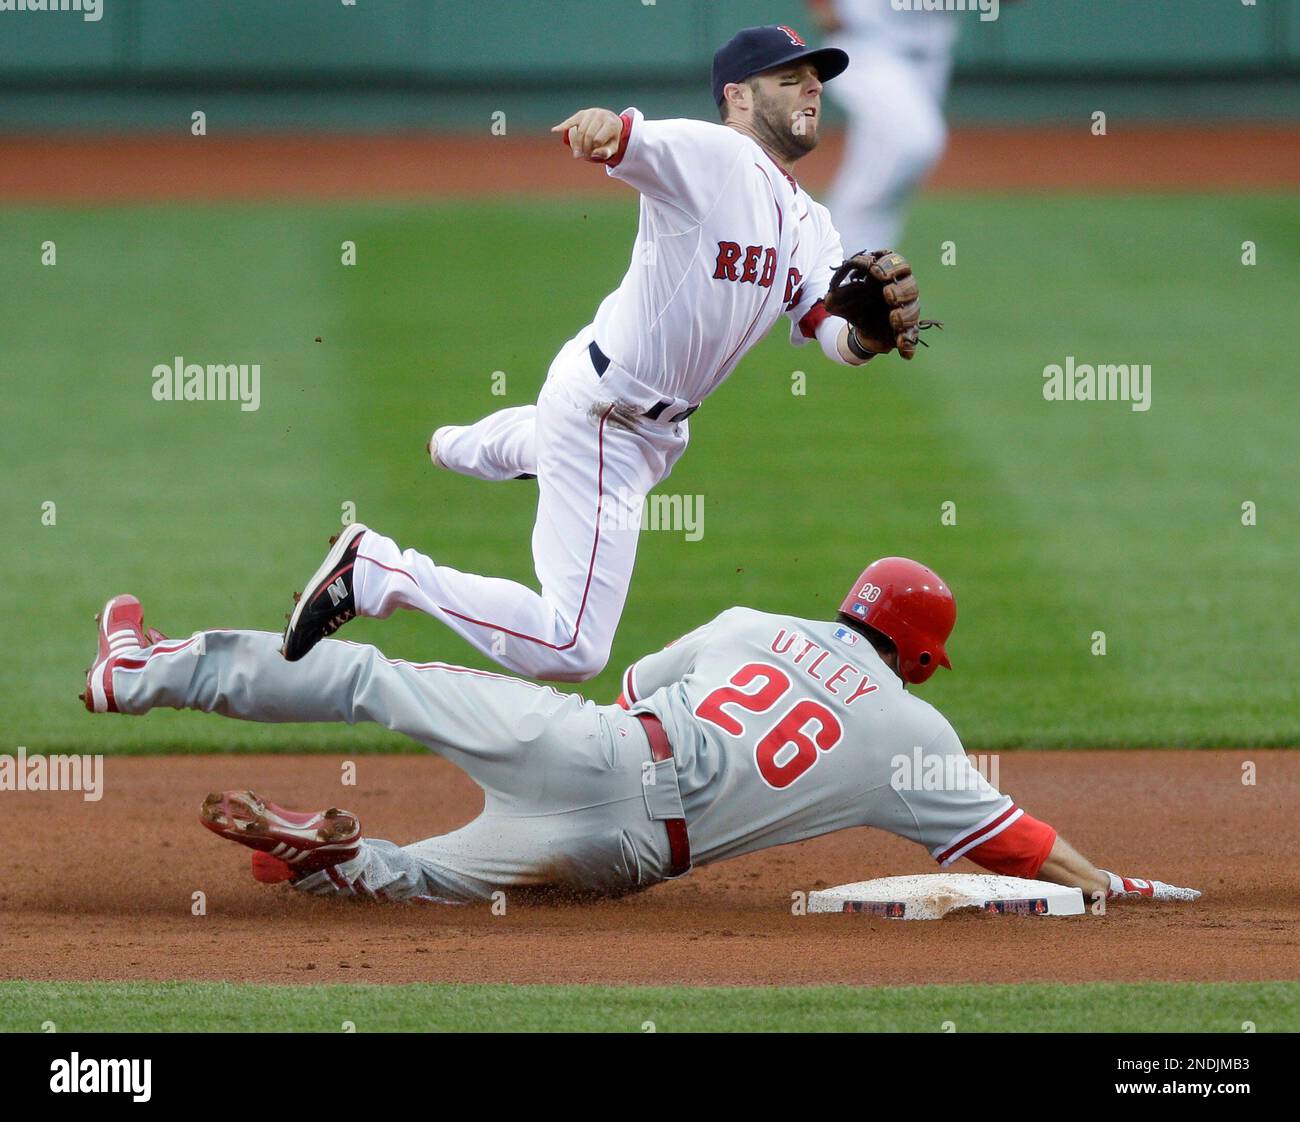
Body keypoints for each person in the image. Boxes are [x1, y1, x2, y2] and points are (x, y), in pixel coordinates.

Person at [276, 24, 932, 685]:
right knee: (572, 646)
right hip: (605, 416)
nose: (812, 88)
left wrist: (870, 337)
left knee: (557, 450)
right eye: (789, 78)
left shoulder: (810, 221)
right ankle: (377, 572)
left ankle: (484, 445)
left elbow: (833, 335)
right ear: (737, 96)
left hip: (649, 430)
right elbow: (632, 138)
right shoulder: (713, 155)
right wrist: (604, 128)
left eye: (816, 78)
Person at [82, 560, 1199, 908]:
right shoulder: (911, 728)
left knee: (375, 675)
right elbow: (1016, 845)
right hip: (624, 861)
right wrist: (1115, 884)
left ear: (853, 609)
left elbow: (630, 689)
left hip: (606, 749)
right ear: (917, 655)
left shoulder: (754, 621)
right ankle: (343, 862)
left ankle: (146, 675)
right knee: (426, 883)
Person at [809, 0, 961, 252]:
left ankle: (854, 273)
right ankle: (840, 267)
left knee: (884, 176)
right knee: (912, 143)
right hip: (865, 44)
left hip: (931, 58)